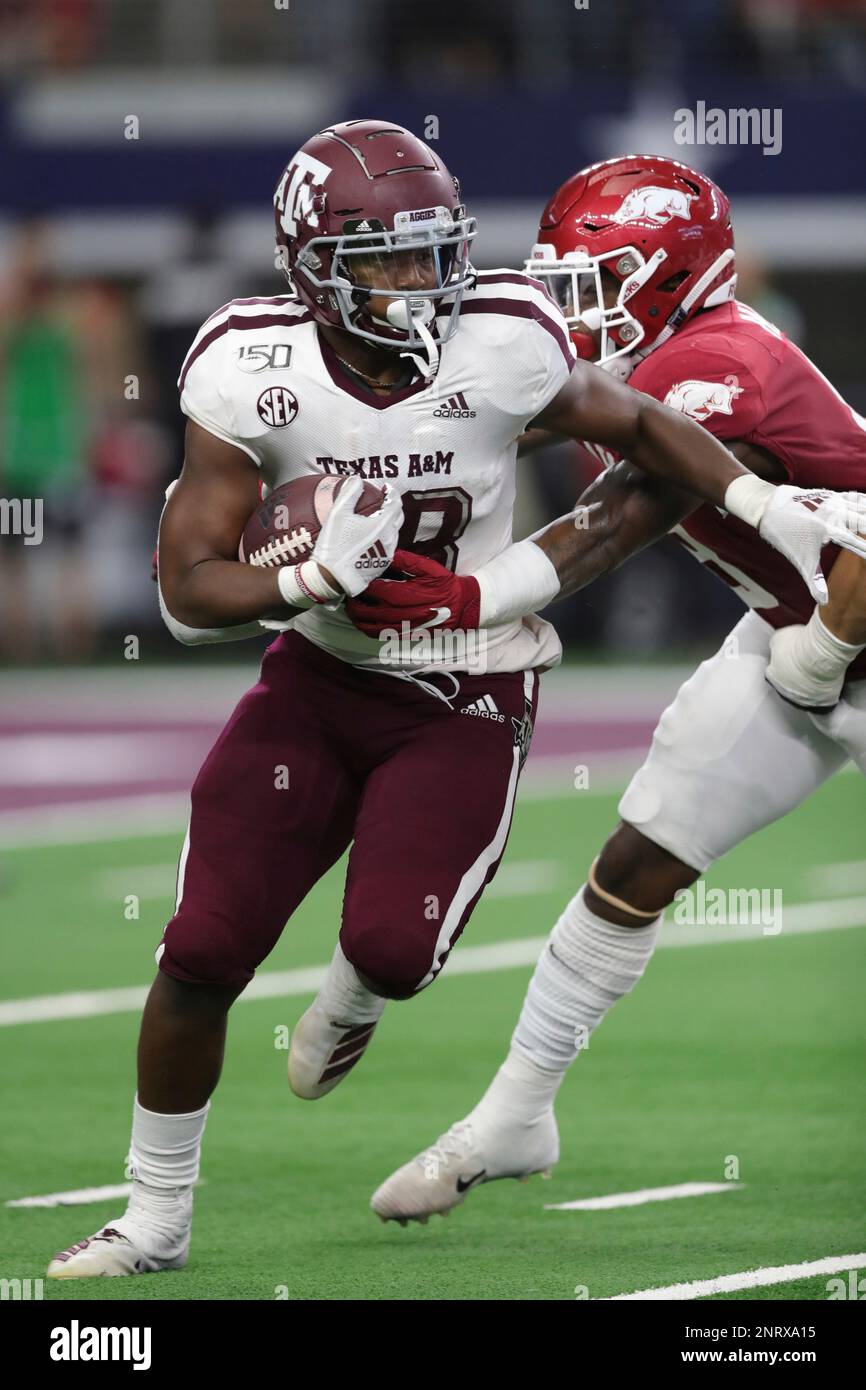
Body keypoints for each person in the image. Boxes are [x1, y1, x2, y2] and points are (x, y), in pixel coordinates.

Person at [46, 133, 865, 1276]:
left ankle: (378, 1008)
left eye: (434, 257)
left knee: (391, 947)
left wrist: (781, 559)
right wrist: (301, 577)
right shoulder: (252, 363)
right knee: (211, 944)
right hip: (355, 667)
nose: (424, 287)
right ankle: (189, 1206)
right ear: (315, 268)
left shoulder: (630, 351)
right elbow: (187, 588)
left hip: (550, 665)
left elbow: (629, 484)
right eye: (388, 264)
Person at [350, 155, 866, 1223]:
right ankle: (512, 1113)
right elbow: (527, 422)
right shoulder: (664, 362)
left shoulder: (716, 356)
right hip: (798, 632)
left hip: (834, 631)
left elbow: (618, 515)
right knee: (636, 856)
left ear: (671, 275)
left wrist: (467, 594)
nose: (572, 311)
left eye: (597, 281)